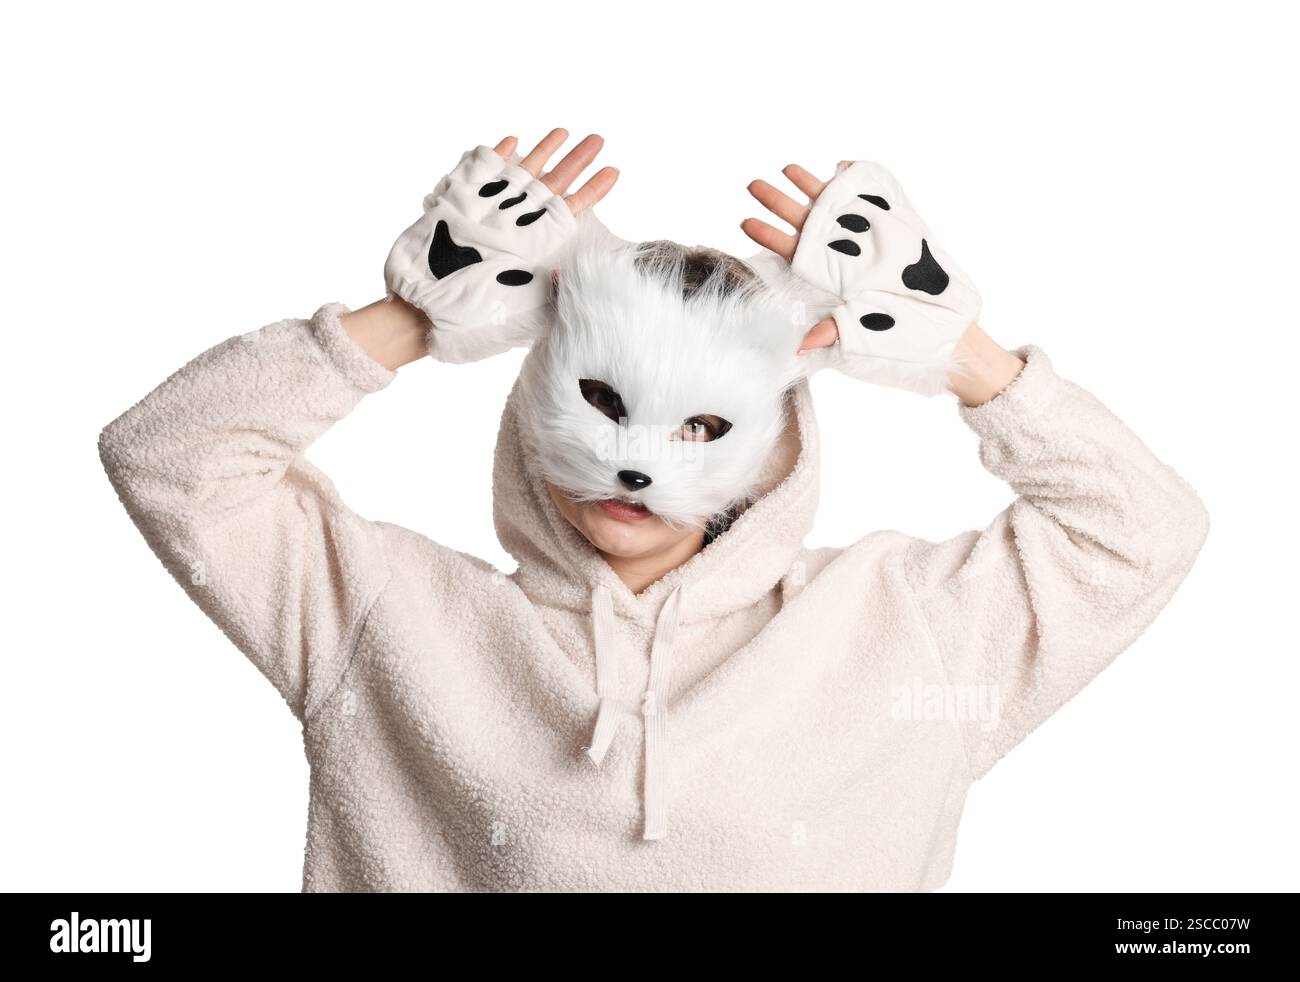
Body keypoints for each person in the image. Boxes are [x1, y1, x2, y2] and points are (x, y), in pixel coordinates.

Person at [98, 128, 1209, 891]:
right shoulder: (384, 619)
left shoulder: (902, 630)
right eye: (606, 400)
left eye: (697, 426)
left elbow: (1140, 532)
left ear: (777, 429)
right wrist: (413, 314)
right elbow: (168, 461)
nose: (639, 464)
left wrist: (958, 351)